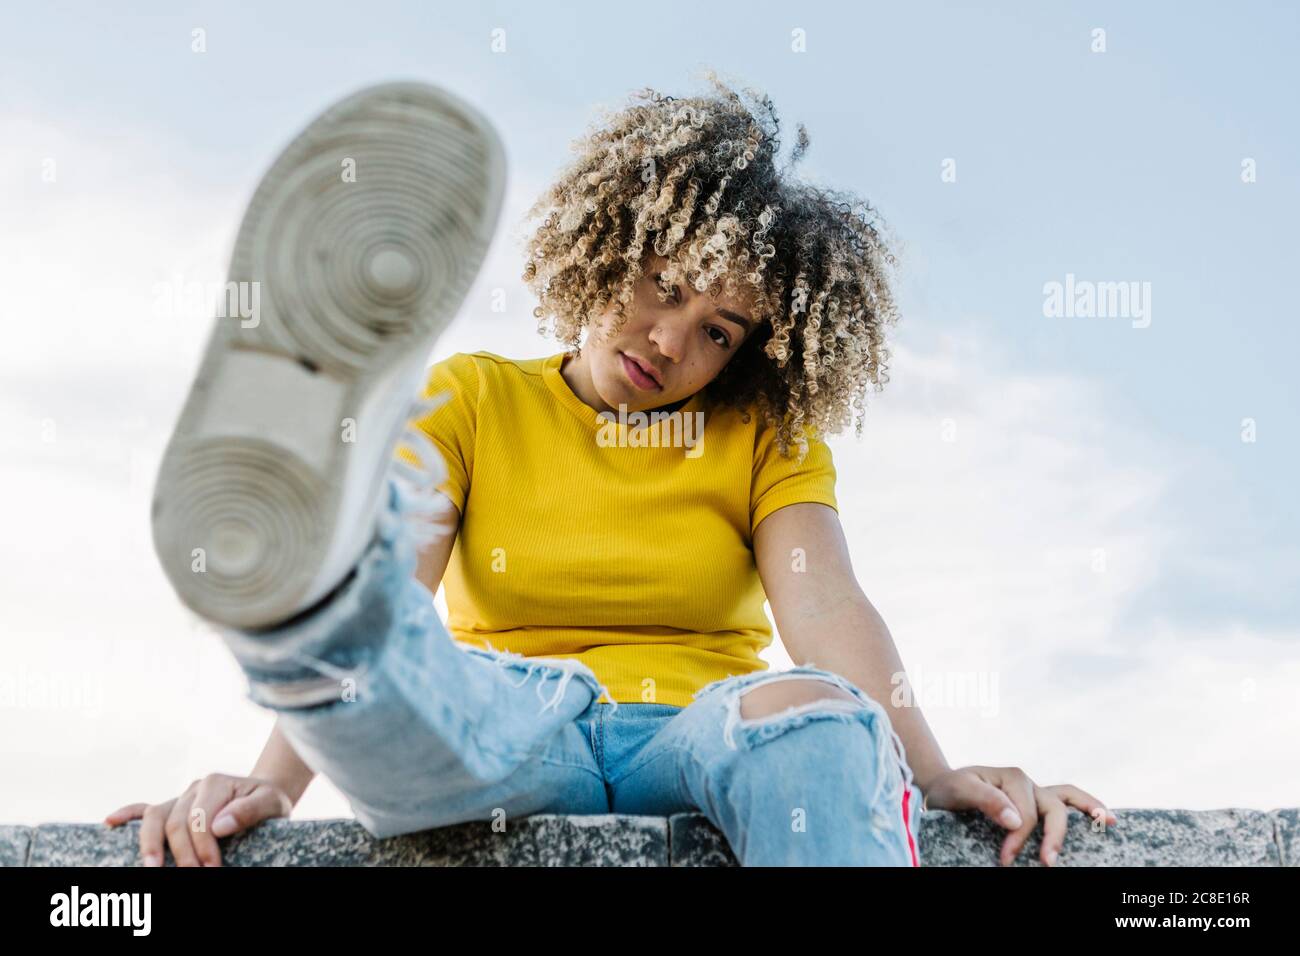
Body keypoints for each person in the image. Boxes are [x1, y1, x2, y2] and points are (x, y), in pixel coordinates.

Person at [105, 72, 1116, 867]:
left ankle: (314, 608)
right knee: (392, 656)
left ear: (749, 354)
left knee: (823, 720)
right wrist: (272, 786)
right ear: (605, 244)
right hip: (519, 716)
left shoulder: (765, 435)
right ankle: (299, 610)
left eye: (716, 329)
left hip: (703, 728)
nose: (671, 340)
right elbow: (405, 600)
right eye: (662, 284)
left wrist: (931, 772)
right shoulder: (474, 397)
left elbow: (827, 603)